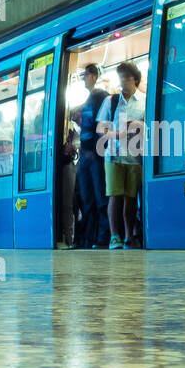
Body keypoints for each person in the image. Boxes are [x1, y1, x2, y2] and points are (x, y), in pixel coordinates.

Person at [96, 61, 145, 250]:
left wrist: (136, 125)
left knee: (131, 198)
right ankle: (114, 236)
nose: (123, 82)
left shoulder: (144, 100)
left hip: (135, 156)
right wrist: (116, 134)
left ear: (135, 80)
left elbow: (150, 125)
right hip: (113, 155)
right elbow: (100, 128)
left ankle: (129, 236)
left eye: (126, 78)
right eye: (121, 78)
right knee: (115, 196)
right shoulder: (111, 101)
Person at [75, 63, 110, 249]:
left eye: (86, 75)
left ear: (94, 76)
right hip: (85, 155)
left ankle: (102, 236)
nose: (83, 78)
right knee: (87, 198)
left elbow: (103, 126)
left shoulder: (101, 96)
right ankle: (89, 237)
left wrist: (96, 151)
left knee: (100, 197)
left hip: (96, 156)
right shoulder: (88, 99)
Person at [57, 113, 79, 248]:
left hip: (74, 165)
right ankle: (70, 240)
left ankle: (75, 238)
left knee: (76, 206)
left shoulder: (74, 130)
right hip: (68, 166)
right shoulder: (66, 129)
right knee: (69, 205)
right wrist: (66, 153)